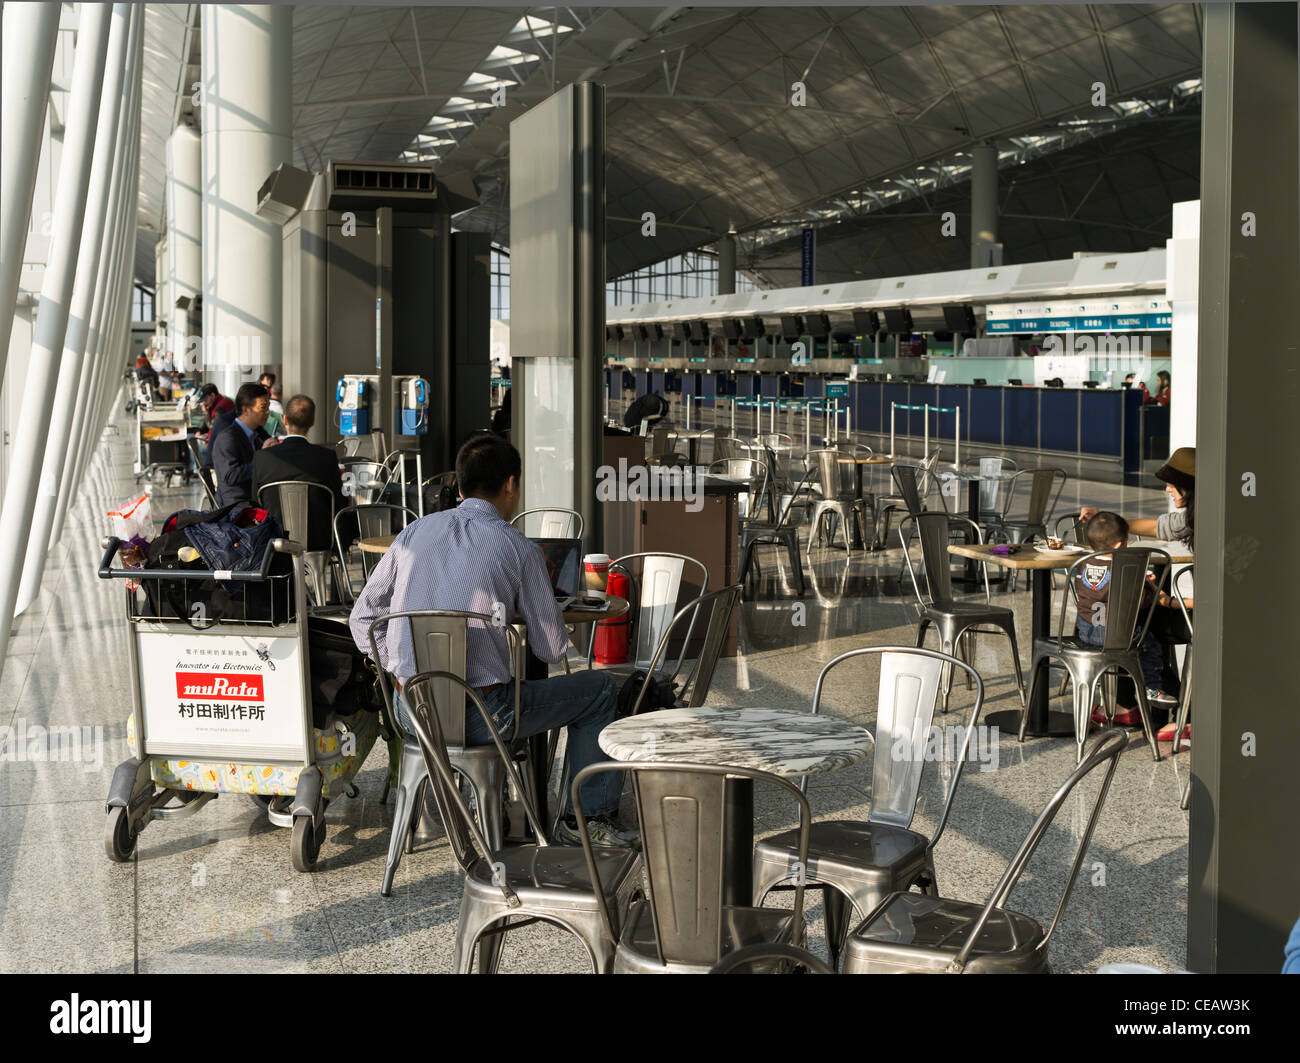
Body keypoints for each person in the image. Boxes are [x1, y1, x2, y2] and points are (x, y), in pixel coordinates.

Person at [348, 432, 634, 847]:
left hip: (412, 710)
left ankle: (507, 803)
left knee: (494, 686)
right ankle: (584, 819)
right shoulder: (518, 548)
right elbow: (550, 649)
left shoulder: (411, 534)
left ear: (460, 486)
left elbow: (362, 619)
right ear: (511, 484)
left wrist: (400, 665)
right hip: (485, 715)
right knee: (601, 690)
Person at [1073, 512, 1175, 727]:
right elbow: (1139, 604)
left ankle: (1116, 701)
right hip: (1118, 636)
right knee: (1150, 646)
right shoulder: (1126, 569)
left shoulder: (1082, 563)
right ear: (1120, 545)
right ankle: (1152, 687)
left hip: (1086, 634)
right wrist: (1147, 585)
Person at [252, 395, 346, 551]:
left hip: (275, 539)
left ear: (285, 420)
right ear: (313, 422)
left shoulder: (262, 457)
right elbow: (338, 501)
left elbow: (256, 501)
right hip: (319, 539)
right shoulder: (326, 457)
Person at [212, 382, 277, 506]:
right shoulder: (228, 437)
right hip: (236, 508)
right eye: (263, 407)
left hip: (256, 500)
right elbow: (231, 476)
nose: (268, 412)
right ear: (246, 410)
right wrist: (262, 458)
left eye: (268, 407)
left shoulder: (256, 434)